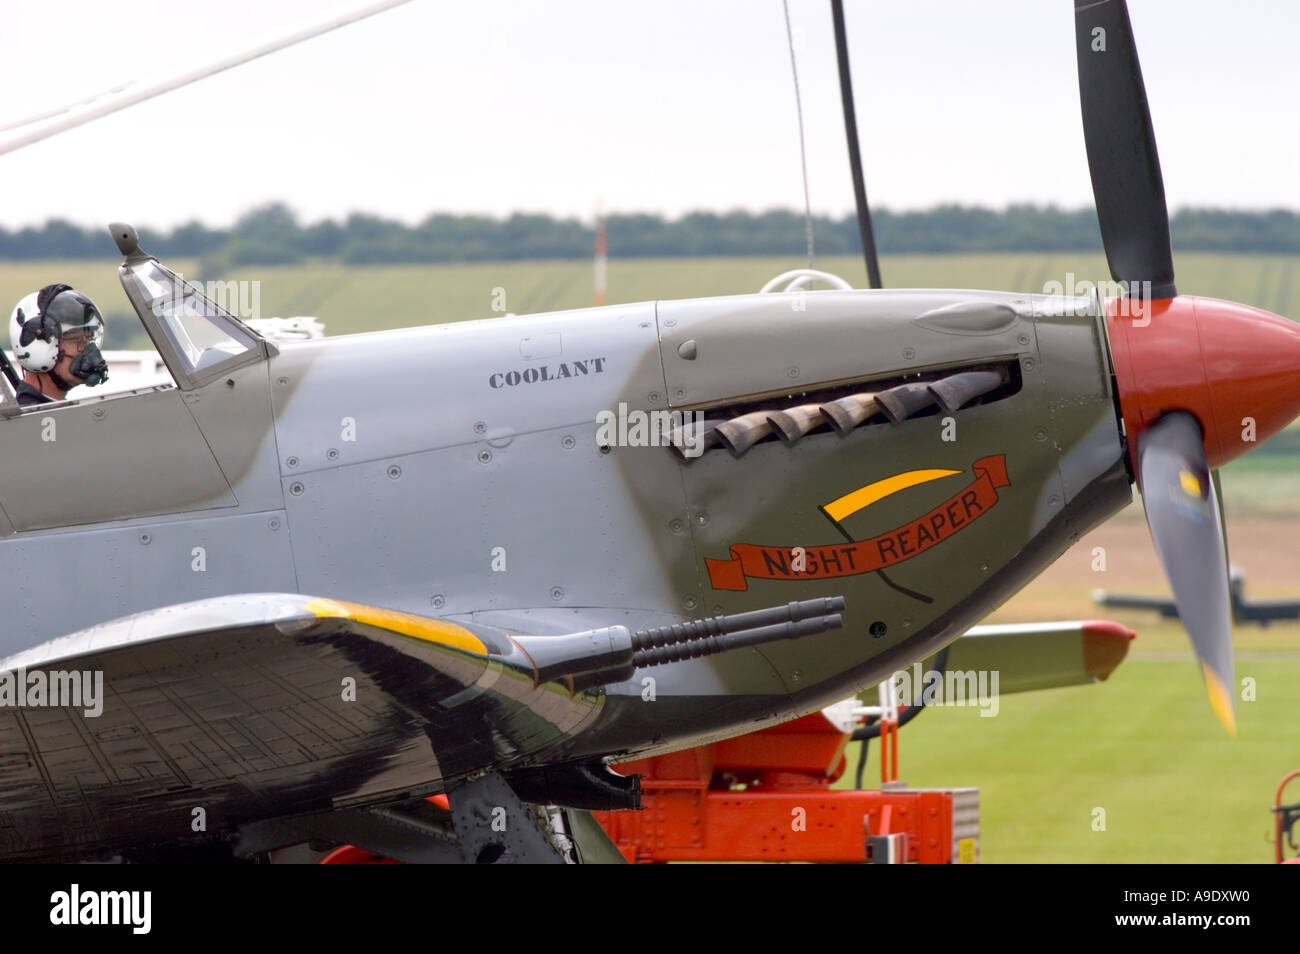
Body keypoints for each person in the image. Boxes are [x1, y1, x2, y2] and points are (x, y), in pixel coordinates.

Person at [6, 284, 109, 407]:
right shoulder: (23, 424)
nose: (87, 348)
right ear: (38, 346)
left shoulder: (62, 416)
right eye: (76, 339)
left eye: (89, 338)